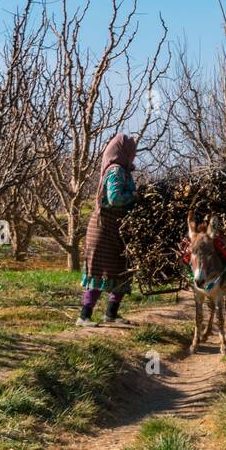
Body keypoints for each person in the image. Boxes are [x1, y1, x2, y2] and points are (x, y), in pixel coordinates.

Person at [78, 134, 138, 326]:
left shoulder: (122, 170)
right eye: (131, 151)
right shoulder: (116, 171)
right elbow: (114, 198)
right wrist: (136, 196)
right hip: (104, 229)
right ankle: (84, 316)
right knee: (99, 271)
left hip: (115, 228)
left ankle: (111, 314)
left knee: (120, 270)